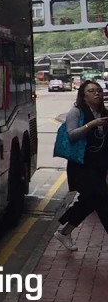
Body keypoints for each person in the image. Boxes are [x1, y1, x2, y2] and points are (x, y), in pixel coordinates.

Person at [53, 79, 108, 250]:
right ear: (83, 97)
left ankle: (64, 232)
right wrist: (90, 125)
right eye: (91, 91)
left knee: (90, 199)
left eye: (98, 90)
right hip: (82, 166)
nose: (96, 93)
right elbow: (71, 135)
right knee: (103, 198)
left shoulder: (104, 113)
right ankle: (64, 232)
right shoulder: (76, 112)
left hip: (99, 166)